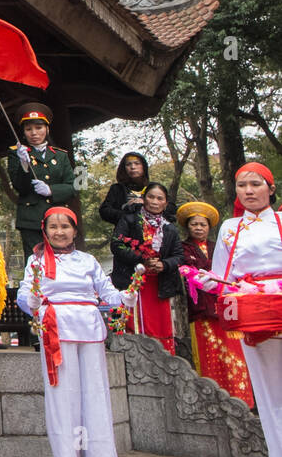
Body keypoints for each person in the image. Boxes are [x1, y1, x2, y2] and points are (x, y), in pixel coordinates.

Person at [17, 206, 135, 457]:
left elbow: (108, 294)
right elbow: (25, 294)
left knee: (95, 395)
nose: (59, 232)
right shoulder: (36, 262)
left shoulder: (88, 260)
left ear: (75, 230)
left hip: (90, 328)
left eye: (65, 226)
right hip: (55, 328)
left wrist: (127, 297)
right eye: (54, 227)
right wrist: (31, 302)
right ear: (44, 231)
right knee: (62, 399)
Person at [208, 163, 282, 457]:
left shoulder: (281, 221)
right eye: (242, 185)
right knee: (268, 397)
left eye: (255, 184)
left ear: (271, 188)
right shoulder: (230, 227)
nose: (249, 191)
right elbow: (220, 277)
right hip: (253, 314)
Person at [177, 200, 254, 407]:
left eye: (203, 225)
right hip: (202, 308)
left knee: (234, 351)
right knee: (209, 353)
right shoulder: (183, 249)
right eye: (194, 224)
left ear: (210, 227)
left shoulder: (218, 246)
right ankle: (213, 403)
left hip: (227, 307)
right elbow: (186, 272)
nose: (199, 228)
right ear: (188, 227)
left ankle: (242, 401)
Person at [111, 182, 182, 354]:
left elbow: (179, 256)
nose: (155, 202)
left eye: (160, 198)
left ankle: (165, 361)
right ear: (143, 199)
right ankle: (136, 358)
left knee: (159, 324)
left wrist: (163, 264)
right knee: (134, 321)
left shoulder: (170, 228)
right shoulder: (129, 220)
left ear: (165, 203)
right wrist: (142, 259)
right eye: (151, 197)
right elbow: (116, 244)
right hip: (133, 281)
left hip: (159, 284)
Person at [6, 103, 76, 257]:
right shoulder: (17, 153)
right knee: (35, 264)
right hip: (31, 220)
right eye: (28, 129)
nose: (34, 133)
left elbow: (73, 187)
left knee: (62, 262)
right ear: (23, 132)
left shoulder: (61, 155)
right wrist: (24, 164)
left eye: (38, 128)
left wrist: (51, 190)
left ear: (47, 129)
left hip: (58, 218)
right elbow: (19, 187)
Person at [100, 152, 149, 225]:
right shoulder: (117, 189)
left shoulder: (153, 188)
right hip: (124, 232)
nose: (132, 167)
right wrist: (126, 213)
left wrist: (146, 204)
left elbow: (169, 208)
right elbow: (104, 211)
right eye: (128, 164)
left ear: (143, 166)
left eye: (137, 163)